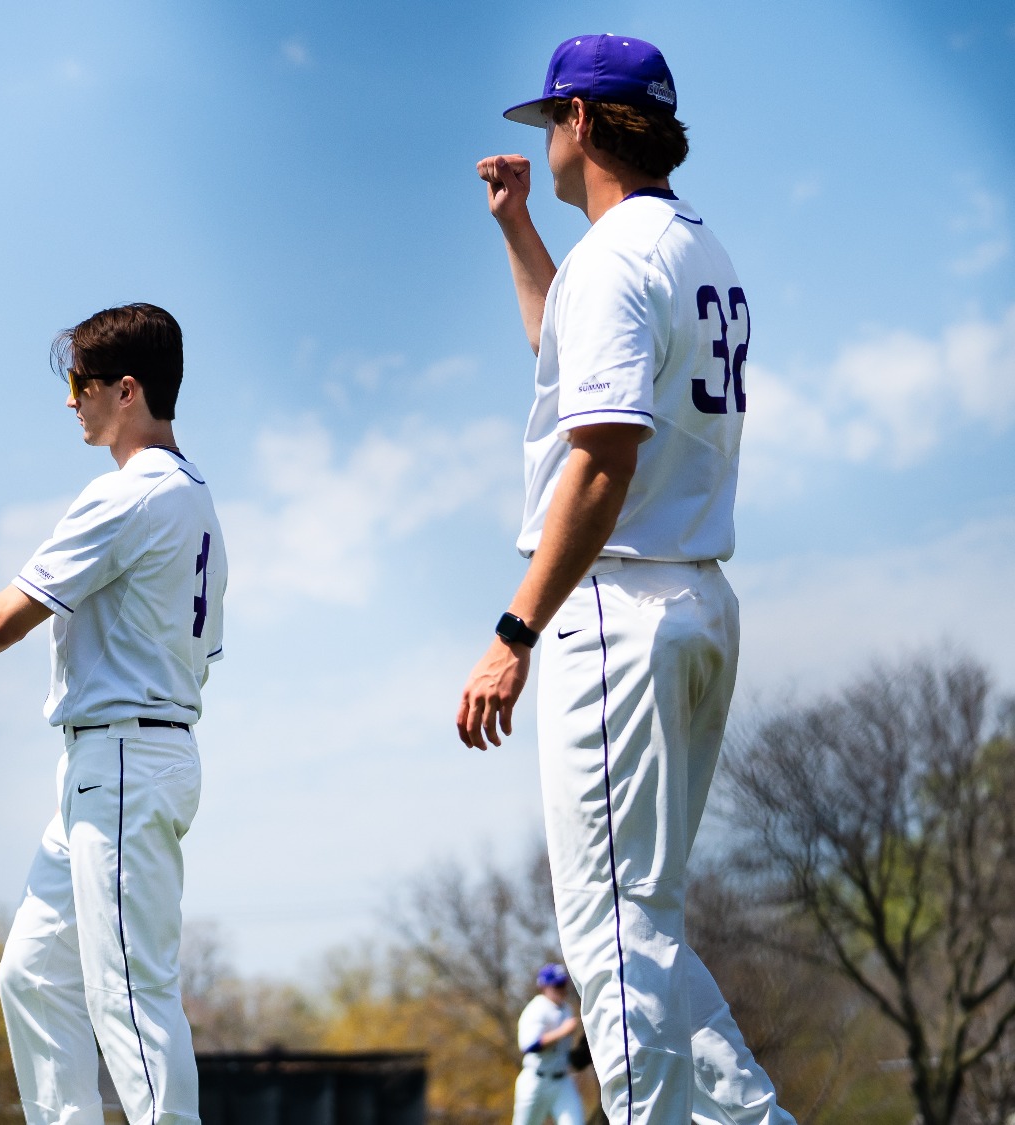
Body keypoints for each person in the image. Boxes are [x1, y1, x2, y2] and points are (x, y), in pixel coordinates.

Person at [455, 34, 793, 1125]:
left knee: (610, 935)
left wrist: (512, 633)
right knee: (640, 922)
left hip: (615, 604)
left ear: (586, 122)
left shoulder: (611, 258)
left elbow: (599, 455)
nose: (542, 143)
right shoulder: (692, 248)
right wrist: (516, 231)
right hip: (695, 601)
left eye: (548, 121)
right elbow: (570, 375)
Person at [0, 303, 226, 1125]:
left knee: (130, 997)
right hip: (116, 762)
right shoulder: (198, 499)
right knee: (30, 970)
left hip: (126, 760)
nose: (72, 400)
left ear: (125, 390)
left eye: (81, 383)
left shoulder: (125, 495)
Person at [513, 964, 584, 1125]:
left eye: (564, 984)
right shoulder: (536, 1008)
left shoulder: (566, 1009)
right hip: (537, 1081)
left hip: (563, 1080)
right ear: (544, 986)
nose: (562, 989)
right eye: (557, 985)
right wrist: (563, 1032)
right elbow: (529, 1045)